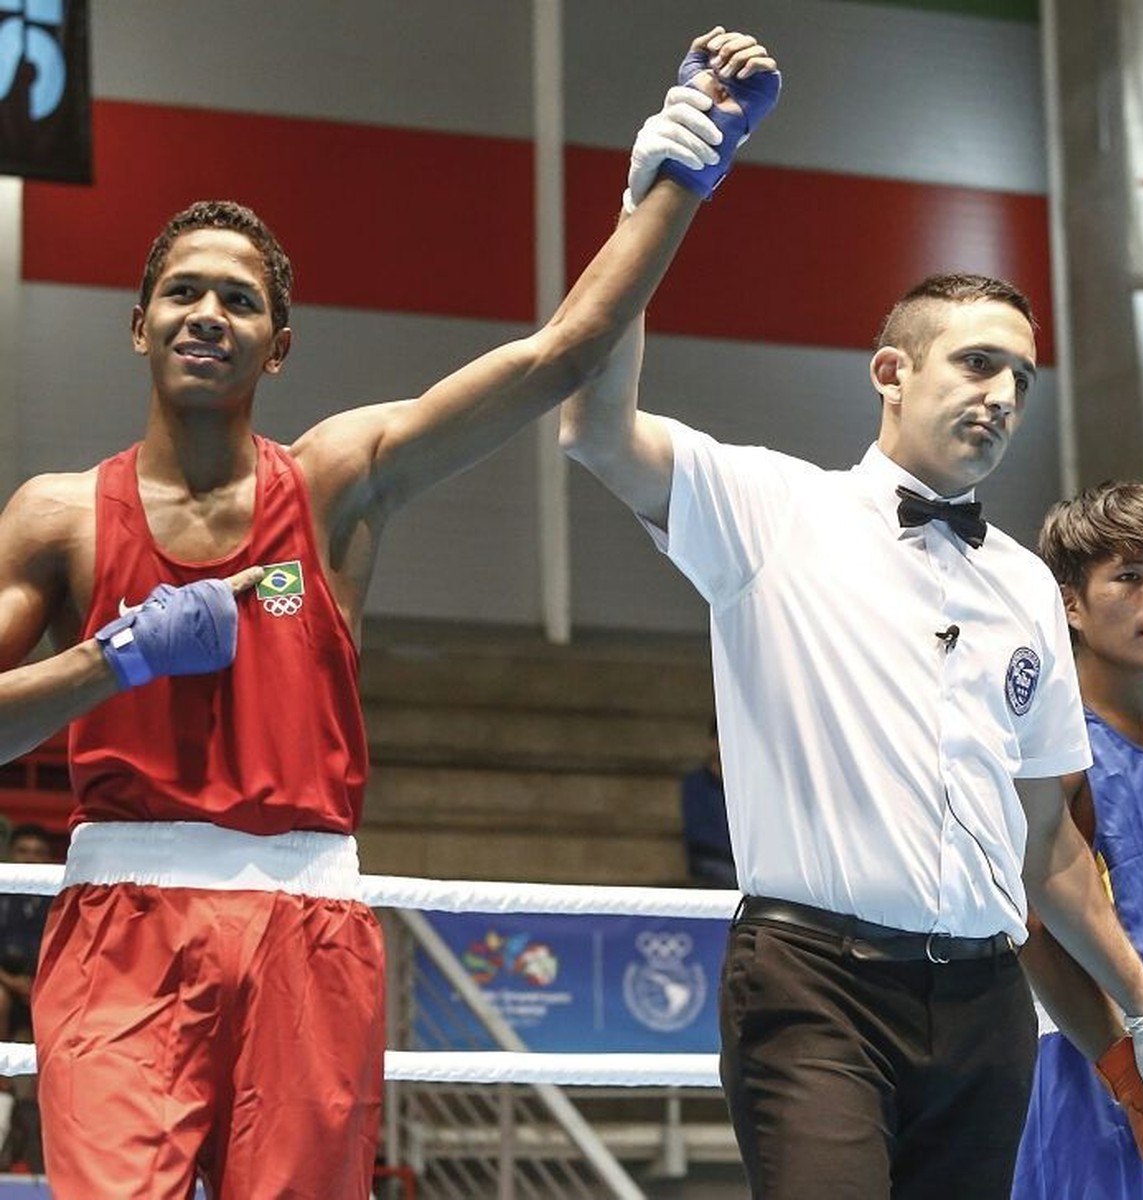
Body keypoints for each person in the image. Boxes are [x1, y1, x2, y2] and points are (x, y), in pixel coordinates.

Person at [0, 27, 781, 1198]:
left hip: (306, 926)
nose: (208, 313)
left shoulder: (332, 481)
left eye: (239, 298)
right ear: (139, 323)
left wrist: (672, 171)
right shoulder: (58, 516)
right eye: (182, 292)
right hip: (120, 922)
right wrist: (117, 658)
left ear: (280, 342)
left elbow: (561, 356)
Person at [559, 271, 1143, 1198]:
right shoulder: (775, 512)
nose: (1004, 396)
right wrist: (649, 211)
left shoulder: (1024, 585)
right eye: (979, 363)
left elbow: (1046, 843)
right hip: (818, 987)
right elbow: (597, 432)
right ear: (890, 372)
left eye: (1022, 376)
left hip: (987, 1004)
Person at [1013, 481, 1143, 1196]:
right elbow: (1032, 929)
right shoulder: (1050, 750)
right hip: (1094, 1062)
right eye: (1130, 575)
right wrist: (1128, 1071)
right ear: (1070, 604)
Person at [0, 823, 55, 1173]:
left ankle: (56, 1086)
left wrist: (36, 984)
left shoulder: (63, 895)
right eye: (24, 852)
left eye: (37, 853)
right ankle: (1, 1081)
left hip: (47, 985)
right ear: (10, 855)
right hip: (4, 983)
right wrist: (9, 981)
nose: (30, 858)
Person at [680, 717, 736, 887]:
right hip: (711, 860)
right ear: (712, 742)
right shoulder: (695, 783)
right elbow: (697, 832)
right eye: (720, 737)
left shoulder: (744, 786)